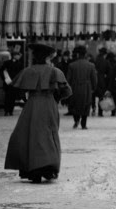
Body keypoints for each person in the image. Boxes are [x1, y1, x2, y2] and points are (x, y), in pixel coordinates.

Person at [4, 42, 72, 183]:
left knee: (30, 135)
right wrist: (56, 97)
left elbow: (16, 88)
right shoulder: (55, 72)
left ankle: (32, 169)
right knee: (48, 135)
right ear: (48, 57)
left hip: (32, 105)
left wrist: (26, 97)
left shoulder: (28, 71)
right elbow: (67, 91)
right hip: (49, 105)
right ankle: (48, 168)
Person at [65, 45, 98, 130]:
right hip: (86, 88)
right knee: (86, 105)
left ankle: (76, 120)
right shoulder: (91, 65)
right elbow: (94, 79)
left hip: (74, 87)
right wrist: (93, 88)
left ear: (77, 54)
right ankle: (84, 123)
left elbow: (68, 79)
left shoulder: (72, 65)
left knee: (75, 104)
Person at [0, 47, 25, 116]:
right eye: (17, 55)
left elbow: (21, 74)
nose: (19, 56)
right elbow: (1, 71)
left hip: (15, 83)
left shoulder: (20, 64)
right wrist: (5, 79)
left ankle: (11, 111)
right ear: (14, 56)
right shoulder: (7, 63)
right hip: (8, 83)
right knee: (7, 97)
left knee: (13, 98)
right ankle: (6, 111)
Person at [94, 47, 112, 116]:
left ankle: (94, 108)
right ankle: (100, 112)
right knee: (101, 97)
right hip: (102, 81)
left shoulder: (95, 61)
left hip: (95, 80)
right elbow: (110, 73)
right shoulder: (106, 62)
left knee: (94, 96)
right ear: (105, 54)